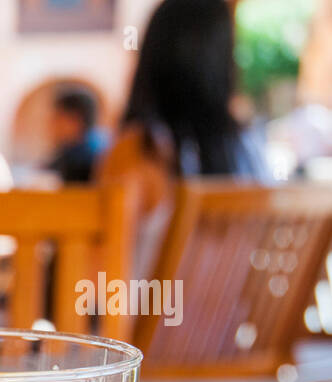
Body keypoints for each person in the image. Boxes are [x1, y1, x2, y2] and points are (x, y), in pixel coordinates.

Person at [98, 0, 268, 275]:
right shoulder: (249, 151)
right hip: (234, 318)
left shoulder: (142, 150)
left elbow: (100, 272)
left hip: (151, 316)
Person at [46, 88, 105, 184]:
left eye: (58, 117)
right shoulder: (69, 153)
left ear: (76, 121)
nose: (51, 124)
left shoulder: (88, 162)